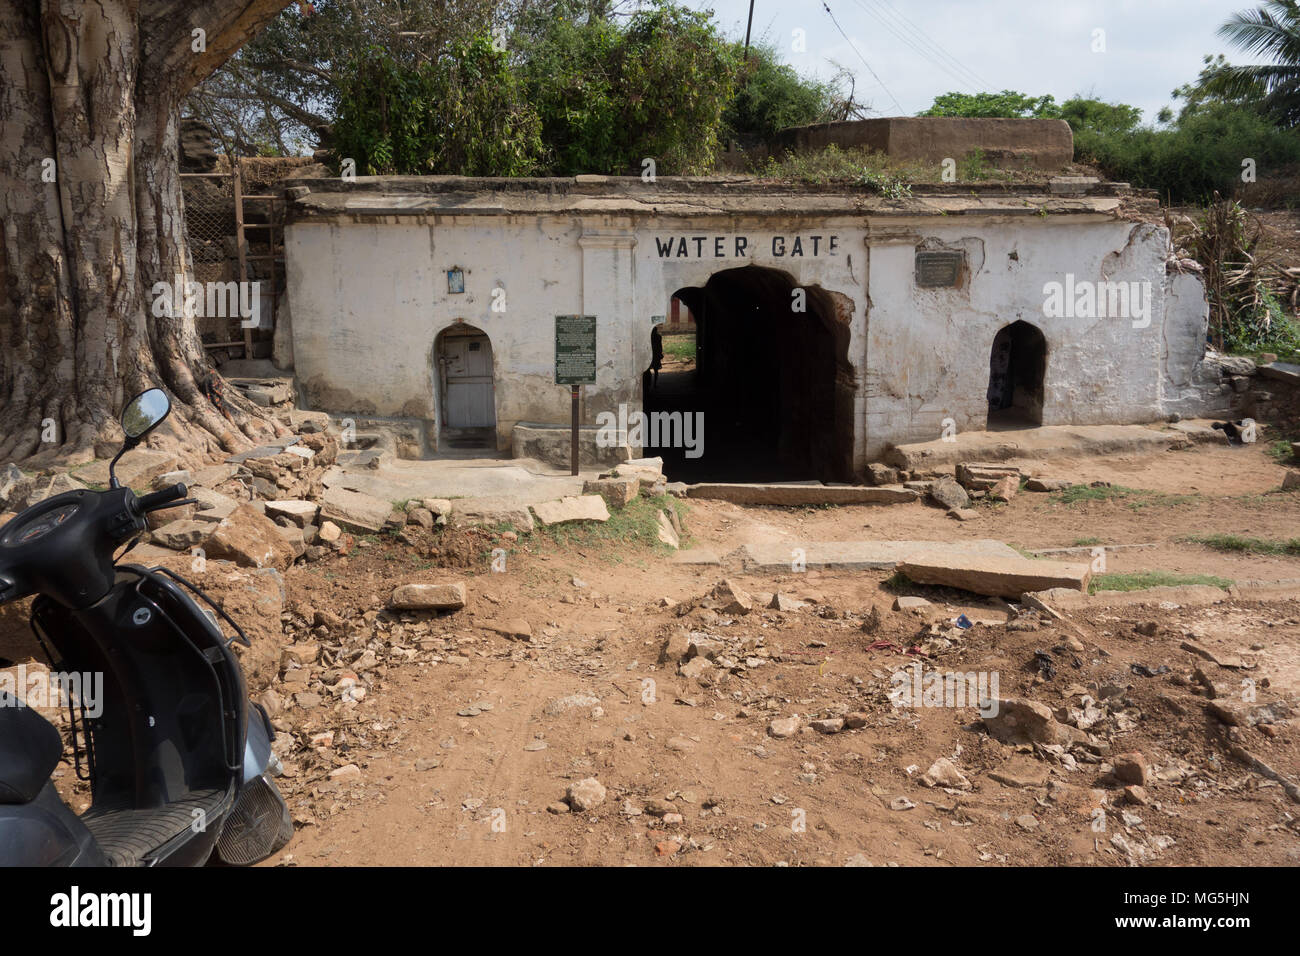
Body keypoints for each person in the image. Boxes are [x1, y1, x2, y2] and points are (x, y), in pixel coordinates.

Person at [649, 325, 664, 391]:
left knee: (647, 370)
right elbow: (660, 346)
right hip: (656, 355)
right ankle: (654, 384)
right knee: (656, 370)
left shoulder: (649, 337)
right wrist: (660, 353)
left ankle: (648, 384)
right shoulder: (658, 337)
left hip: (650, 355)